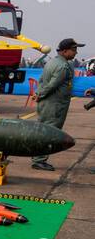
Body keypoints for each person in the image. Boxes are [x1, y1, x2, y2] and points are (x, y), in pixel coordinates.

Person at [32, 37, 82, 171]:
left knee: (42, 130)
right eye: (74, 50)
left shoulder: (51, 62)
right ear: (65, 51)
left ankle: (37, 157)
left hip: (47, 103)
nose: (76, 53)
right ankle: (39, 160)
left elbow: (42, 80)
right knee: (50, 133)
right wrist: (40, 94)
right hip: (55, 105)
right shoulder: (63, 66)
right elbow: (52, 85)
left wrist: (38, 93)